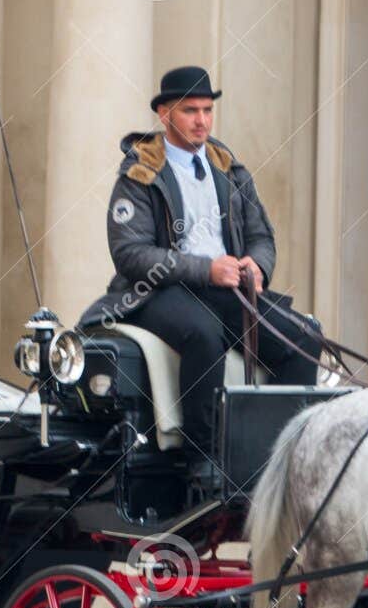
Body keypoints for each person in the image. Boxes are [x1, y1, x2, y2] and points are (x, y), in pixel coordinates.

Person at [79, 65, 319, 472]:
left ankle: (277, 459)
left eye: (207, 110)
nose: (202, 120)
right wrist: (205, 269)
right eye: (190, 110)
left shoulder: (229, 169)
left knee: (303, 339)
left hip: (229, 288)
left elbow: (263, 236)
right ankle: (202, 457)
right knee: (202, 335)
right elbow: (131, 253)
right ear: (164, 114)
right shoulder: (140, 174)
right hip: (157, 291)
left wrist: (257, 267)